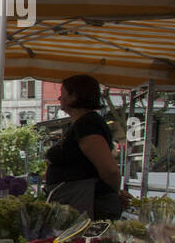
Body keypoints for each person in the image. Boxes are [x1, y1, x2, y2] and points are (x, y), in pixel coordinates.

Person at [43, 73, 128, 218]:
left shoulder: (88, 124)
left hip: (87, 204)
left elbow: (110, 170)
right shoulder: (82, 123)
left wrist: (114, 193)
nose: (59, 98)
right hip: (79, 201)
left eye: (62, 93)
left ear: (74, 96)